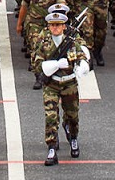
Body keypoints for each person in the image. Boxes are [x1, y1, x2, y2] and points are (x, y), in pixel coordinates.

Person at [34, 10, 89, 165]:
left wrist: (82, 66)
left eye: (58, 25)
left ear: (64, 26)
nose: (55, 28)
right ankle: (51, 147)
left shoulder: (72, 42)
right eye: (52, 25)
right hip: (52, 84)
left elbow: (83, 58)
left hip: (69, 83)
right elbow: (36, 63)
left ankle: (73, 138)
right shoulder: (43, 42)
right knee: (51, 116)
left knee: (72, 115)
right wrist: (55, 65)